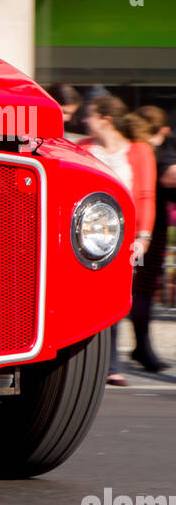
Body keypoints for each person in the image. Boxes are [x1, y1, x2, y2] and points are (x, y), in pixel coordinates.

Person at [81, 96, 156, 386]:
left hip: (125, 240)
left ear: (105, 119)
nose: (85, 121)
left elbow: (146, 195)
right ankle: (91, 362)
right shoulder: (85, 148)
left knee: (118, 298)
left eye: (90, 115)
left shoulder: (138, 151)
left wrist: (144, 236)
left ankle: (111, 363)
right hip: (88, 238)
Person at [128, 105, 176, 372]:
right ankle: (142, 349)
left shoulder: (136, 147)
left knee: (139, 289)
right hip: (149, 230)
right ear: (163, 129)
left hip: (138, 227)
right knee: (142, 290)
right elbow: (168, 179)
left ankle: (140, 348)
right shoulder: (151, 149)